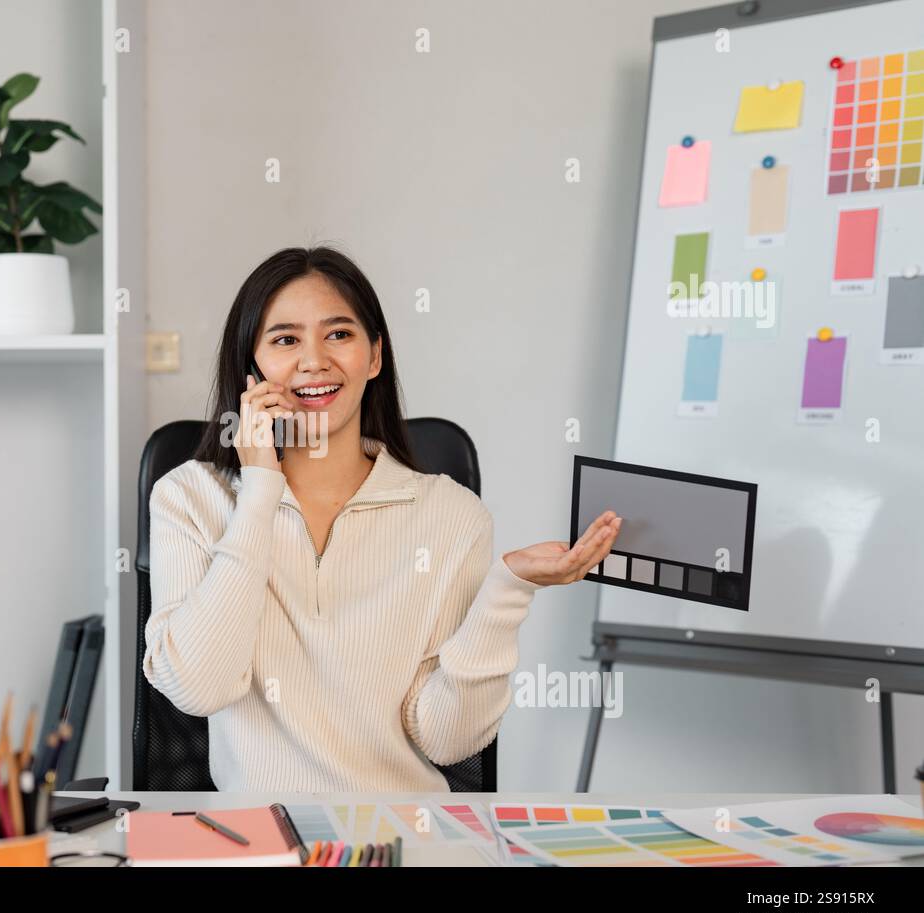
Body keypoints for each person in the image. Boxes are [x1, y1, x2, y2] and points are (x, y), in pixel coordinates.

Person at [143, 245, 619, 791]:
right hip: (261, 840)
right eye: (285, 339)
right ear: (251, 370)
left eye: (339, 334)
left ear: (374, 357)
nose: (315, 360)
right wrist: (259, 492)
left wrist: (507, 589)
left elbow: (448, 741)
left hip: (404, 837)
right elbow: (199, 687)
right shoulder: (189, 497)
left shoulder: (451, 515)